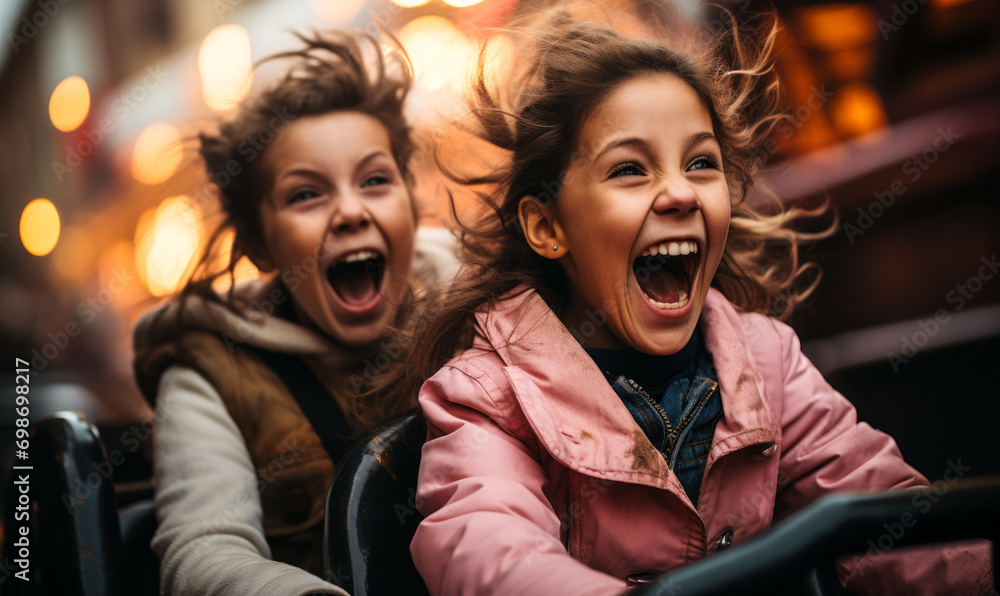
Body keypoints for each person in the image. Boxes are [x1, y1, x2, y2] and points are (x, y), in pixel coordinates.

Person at [404, 13, 993, 596]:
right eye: (630, 169)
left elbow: (892, 521)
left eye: (701, 163)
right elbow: (491, 556)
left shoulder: (766, 363)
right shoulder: (488, 399)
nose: (681, 192)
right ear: (547, 225)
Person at [132, 30, 456, 596]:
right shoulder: (209, 375)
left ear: (409, 202)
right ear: (260, 245)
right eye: (307, 194)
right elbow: (202, 554)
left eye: (375, 181)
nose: (351, 211)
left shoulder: (481, 314)